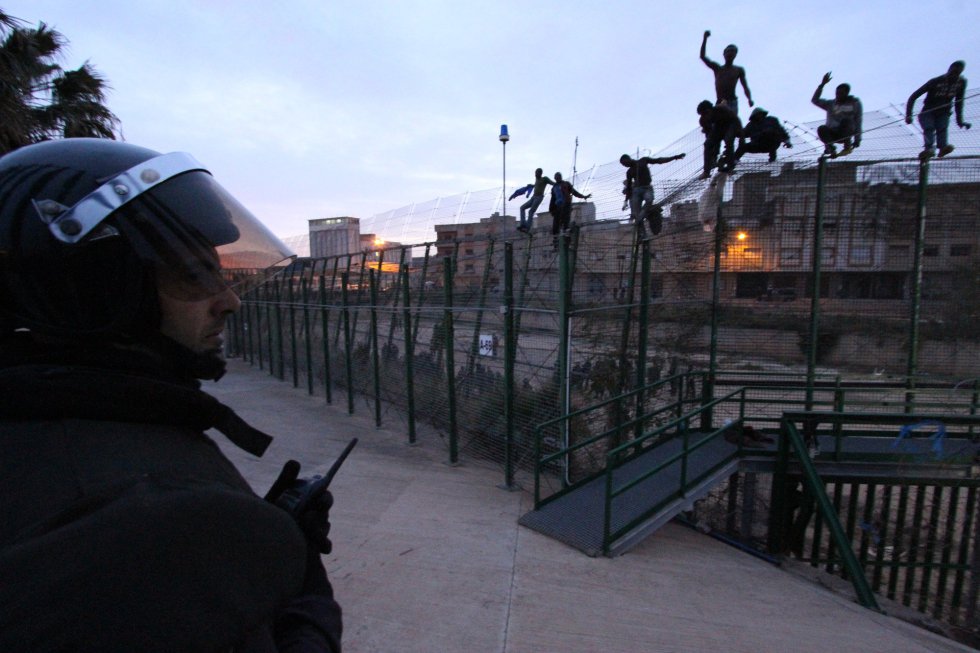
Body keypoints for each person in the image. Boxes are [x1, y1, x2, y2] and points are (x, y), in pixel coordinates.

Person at [0, 138, 342, 652]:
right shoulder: (152, 520)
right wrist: (303, 585)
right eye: (193, 276)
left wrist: (241, 547)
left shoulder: (40, 423)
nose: (228, 301)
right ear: (97, 288)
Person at [905, 60, 971, 160]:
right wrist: (908, 115)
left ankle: (943, 147)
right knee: (929, 127)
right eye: (953, 72)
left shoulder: (961, 83)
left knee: (942, 128)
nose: (955, 76)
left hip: (944, 112)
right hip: (928, 111)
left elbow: (959, 102)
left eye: (958, 73)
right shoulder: (935, 81)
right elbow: (913, 97)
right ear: (949, 70)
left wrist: (960, 121)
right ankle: (929, 149)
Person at [620, 152, 685, 238]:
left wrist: (674, 157)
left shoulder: (643, 161)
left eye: (625, 163)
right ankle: (642, 233)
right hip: (636, 190)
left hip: (646, 188)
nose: (625, 165)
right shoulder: (629, 172)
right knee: (636, 212)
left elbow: (659, 160)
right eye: (623, 165)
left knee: (649, 199)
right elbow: (628, 187)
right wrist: (625, 201)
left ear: (628, 159)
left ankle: (641, 216)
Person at [700, 30, 753, 116]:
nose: (730, 53)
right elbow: (703, 57)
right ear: (724, 54)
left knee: (731, 123)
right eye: (728, 51)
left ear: (735, 55)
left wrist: (749, 99)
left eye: (733, 51)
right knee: (719, 125)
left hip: (732, 101)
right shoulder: (718, 68)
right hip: (720, 101)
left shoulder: (738, 70)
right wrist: (705, 39)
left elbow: (745, 86)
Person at [811, 72, 863, 158]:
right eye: (837, 93)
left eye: (841, 93)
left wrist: (857, 139)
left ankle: (847, 146)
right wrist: (822, 85)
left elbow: (858, 121)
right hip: (832, 134)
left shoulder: (854, 104)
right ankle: (831, 148)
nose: (838, 96)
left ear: (846, 94)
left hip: (845, 132)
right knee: (822, 128)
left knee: (847, 120)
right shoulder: (830, 104)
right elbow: (815, 100)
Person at [697, 99, 744, 178]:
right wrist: (713, 152)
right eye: (703, 114)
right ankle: (706, 172)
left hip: (730, 125)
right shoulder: (703, 120)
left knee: (729, 141)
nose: (706, 116)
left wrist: (741, 136)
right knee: (707, 144)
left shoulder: (722, 109)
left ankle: (730, 167)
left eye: (707, 113)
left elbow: (736, 120)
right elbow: (709, 136)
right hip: (717, 128)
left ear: (711, 110)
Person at [549, 171, 590, 247]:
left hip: (566, 205)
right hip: (557, 207)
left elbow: (574, 192)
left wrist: (583, 196)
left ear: (561, 177)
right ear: (555, 178)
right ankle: (556, 241)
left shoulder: (566, 184)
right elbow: (552, 199)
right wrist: (551, 209)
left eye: (559, 176)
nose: (558, 178)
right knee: (556, 225)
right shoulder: (554, 188)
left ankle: (566, 240)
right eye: (556, 177)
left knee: (565, 223)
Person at [517, 168, 554, 232]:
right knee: (522, 208)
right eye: (535, 173)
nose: (535, 174)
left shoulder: (544, 179)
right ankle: (523, 224)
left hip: (539, 197)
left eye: (537, 173)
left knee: (531, 211)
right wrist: (531, 185)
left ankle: (527, 227)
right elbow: (537, 185)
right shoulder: (537, 179)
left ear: (540, 173)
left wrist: (559, 184)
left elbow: (552, 183)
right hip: (533, 197)